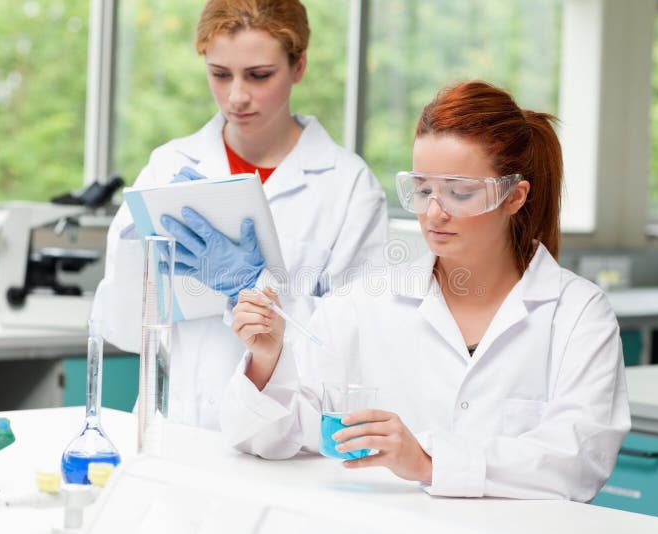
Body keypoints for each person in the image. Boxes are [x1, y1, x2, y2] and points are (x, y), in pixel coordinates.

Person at [222, 80, 630, 501]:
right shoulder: (364, 304)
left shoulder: (578, 313)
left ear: (514, 197)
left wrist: (430, 463)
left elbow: (580, 460)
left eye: (460, 192)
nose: (434, 212)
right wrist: (266, 361)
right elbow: (272, 438)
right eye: (422, 190)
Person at [92, 0, 387, 430]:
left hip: (282, 437)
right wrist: (136, 258)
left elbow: (355, 349)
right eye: (219, 74)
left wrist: (253, 288)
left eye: (259, 75)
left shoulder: (348, 186)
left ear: (299, 66)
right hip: (175, 431)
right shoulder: (168, 166)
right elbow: (118, 329)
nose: (236, 96)